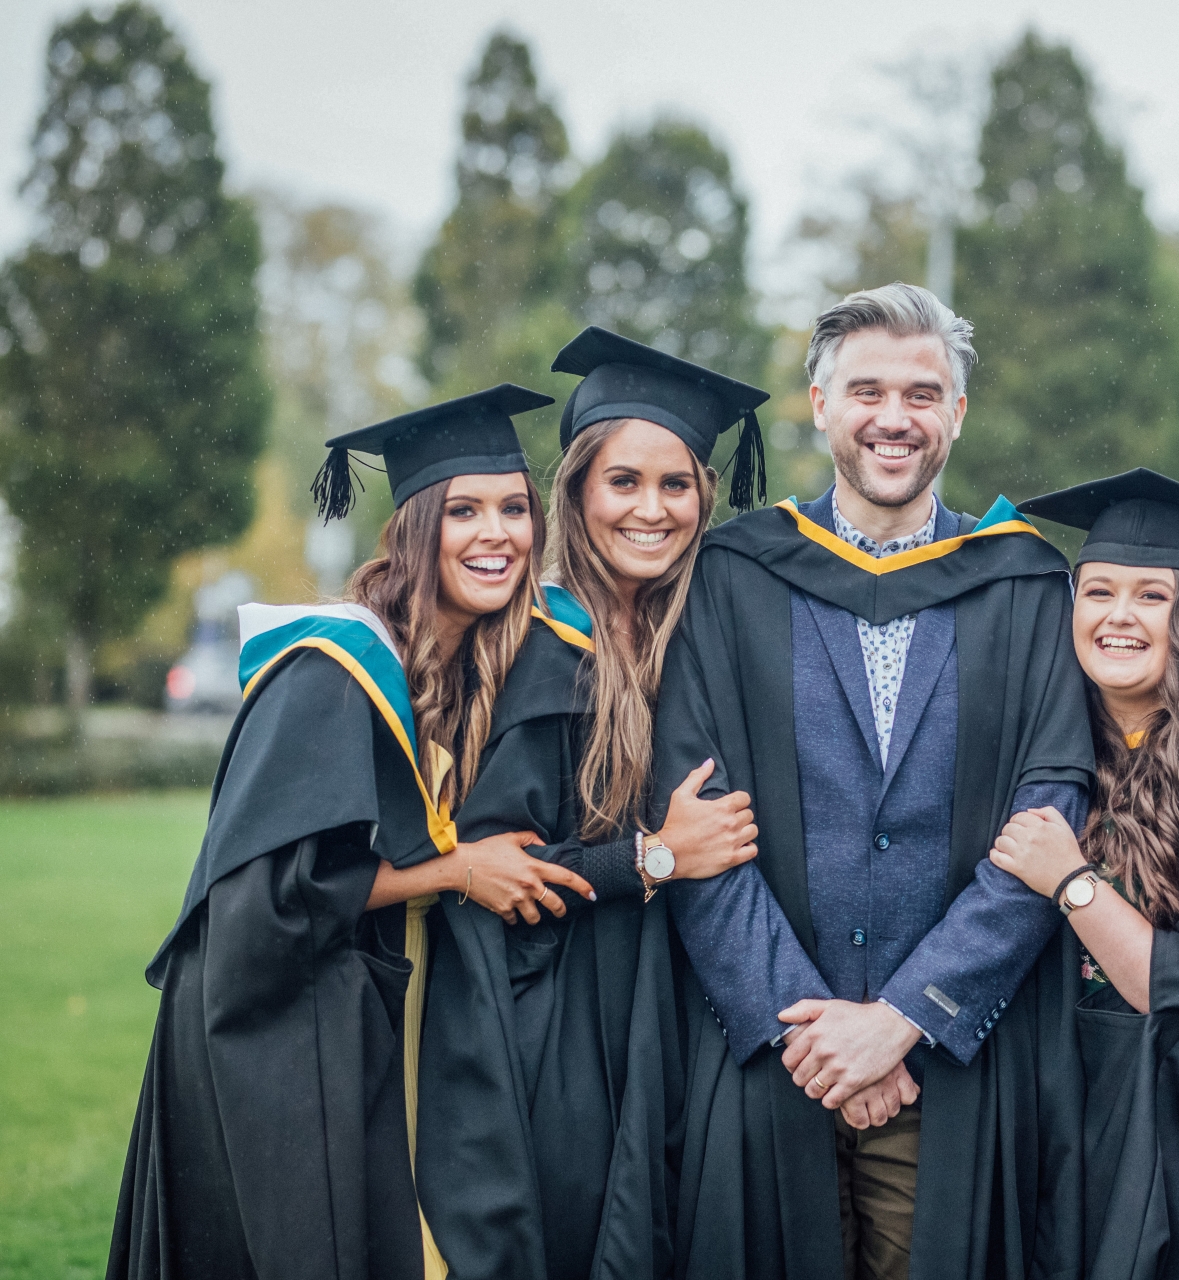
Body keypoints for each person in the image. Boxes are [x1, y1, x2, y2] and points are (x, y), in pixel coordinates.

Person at [648, 282, 1096, 1280]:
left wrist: (903, 1016)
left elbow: (1050, 809)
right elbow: (690, 811)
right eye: (868, 390)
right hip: (772, 1056)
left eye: (923, 394)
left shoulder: (1022, 581)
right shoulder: (735, 573)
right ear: (819, 402)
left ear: (958, 414)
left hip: (947, 1059)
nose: (895, 418)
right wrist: (807, 1028)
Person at [110, 386, 598, 1280]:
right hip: (268, 1021)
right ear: (416, 526)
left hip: (361, 998)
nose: (497, 534)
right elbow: (265, 899)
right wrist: (456, 871)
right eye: (464, 511)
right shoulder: (331, 671)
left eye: (515, 510)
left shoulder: (469, 663)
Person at [413, 328, 767, 1279]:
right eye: (623, 483)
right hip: (557, 1021)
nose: (652, 511)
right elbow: (496, 875)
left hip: (663, 1007)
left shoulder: (687, 637)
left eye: (676, 485)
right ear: (574, 494)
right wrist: (654, 857)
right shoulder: (541, 650)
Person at [996, 469, 1179, 1279]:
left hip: (1163, 1144)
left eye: (1151, 597)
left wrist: (1071, 881)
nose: (1118, 617)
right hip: (1055, 1112)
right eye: (1097, 592)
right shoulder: (1052, 758)